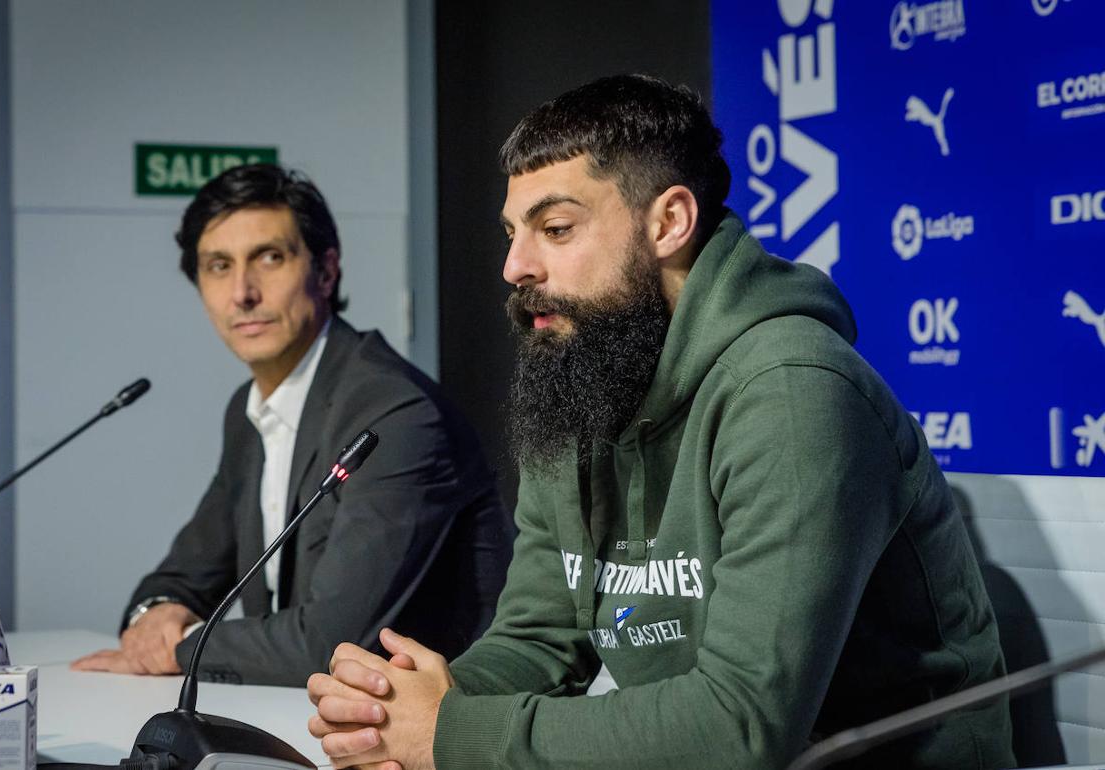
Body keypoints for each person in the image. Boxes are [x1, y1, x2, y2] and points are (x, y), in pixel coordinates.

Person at [306, 75, 1015, 768]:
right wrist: (398, 712)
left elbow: (741, 725)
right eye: (512, 234)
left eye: (555, 228)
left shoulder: (794, 393)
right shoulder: (585, 369)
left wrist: (453, 734)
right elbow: (540, 638)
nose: (514, 266)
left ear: (669, 222)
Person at [71, 163, 513, 686]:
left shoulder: (393, 412)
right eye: (217, 266)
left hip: (437, 737)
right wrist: (158, 612)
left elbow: (331, 641)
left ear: (326, 271)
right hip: (306, 716)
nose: (242, 293)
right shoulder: (250, 409)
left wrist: (179, 648)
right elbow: (185, 574)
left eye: (269, 258)